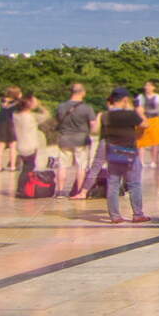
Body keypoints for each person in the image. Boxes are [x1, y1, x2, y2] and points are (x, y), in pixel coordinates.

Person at [99, 88, 150, 223]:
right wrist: (138, 110)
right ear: (125, 100)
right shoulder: (130, 114)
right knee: (134, 184)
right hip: (130, 153)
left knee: (113, 185)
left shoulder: (105, 116)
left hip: (113, 153)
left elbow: (103, 136)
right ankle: (138, 214)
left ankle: (115, 216)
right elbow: (145, 124)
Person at [57, 83, 98, 198]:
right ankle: (79, 191)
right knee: (81, 166)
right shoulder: (87, 108)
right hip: (81, 139)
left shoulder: (61, 106)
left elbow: (58, 120)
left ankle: (60, 191)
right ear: (82, 93)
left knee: (62, 165)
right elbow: (93, 125)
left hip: (64, 138)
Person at [12, 92, 42, 189]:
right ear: (29, 103)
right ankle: (22, 188)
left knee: (25, 168)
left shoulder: (16, 115)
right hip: (30, 146)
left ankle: (21, 188)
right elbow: (46, 116)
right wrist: (41, 106)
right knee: (28, 168)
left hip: (21, 145)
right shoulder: (31, 117)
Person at [0, 86, 17, 172]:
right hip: (11, 124)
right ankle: (13, 166)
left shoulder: (1, 101)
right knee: (13, 146)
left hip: (1, 124)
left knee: (0, 146)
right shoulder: (16, 103)